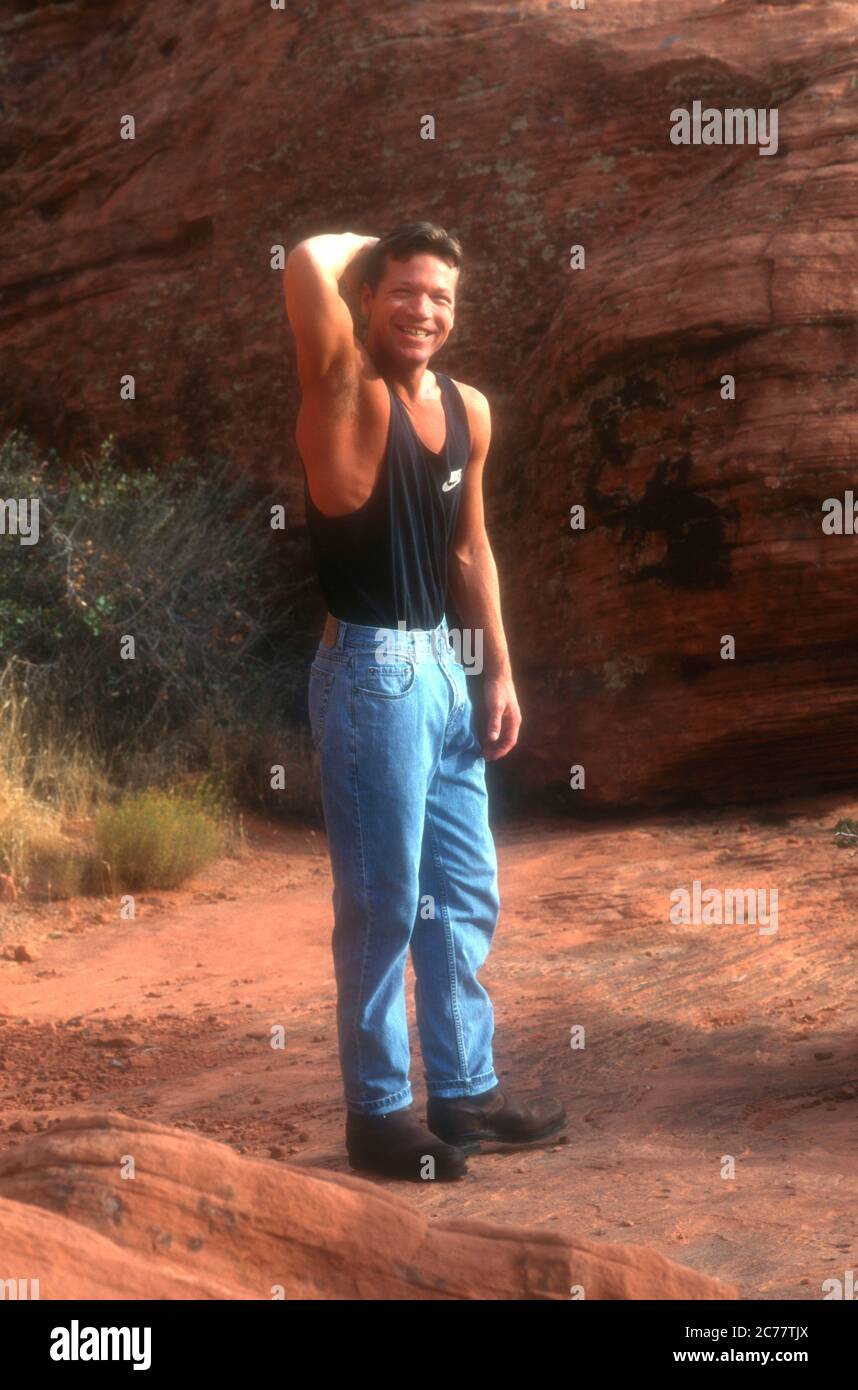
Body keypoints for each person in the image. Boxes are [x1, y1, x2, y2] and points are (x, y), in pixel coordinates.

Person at [283, 222, 566, 1181]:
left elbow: (467, 549)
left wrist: (499, 669)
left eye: (441, 295)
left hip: (445, 672)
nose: (423, 310)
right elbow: (305, 262)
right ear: (369, 297)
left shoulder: (468, 408)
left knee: (463, 895)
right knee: (383, 905)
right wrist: (368, 241)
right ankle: (378, 1116)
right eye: (403, 289)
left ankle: (467, 1095)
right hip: (369, 673)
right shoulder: (345, 393)